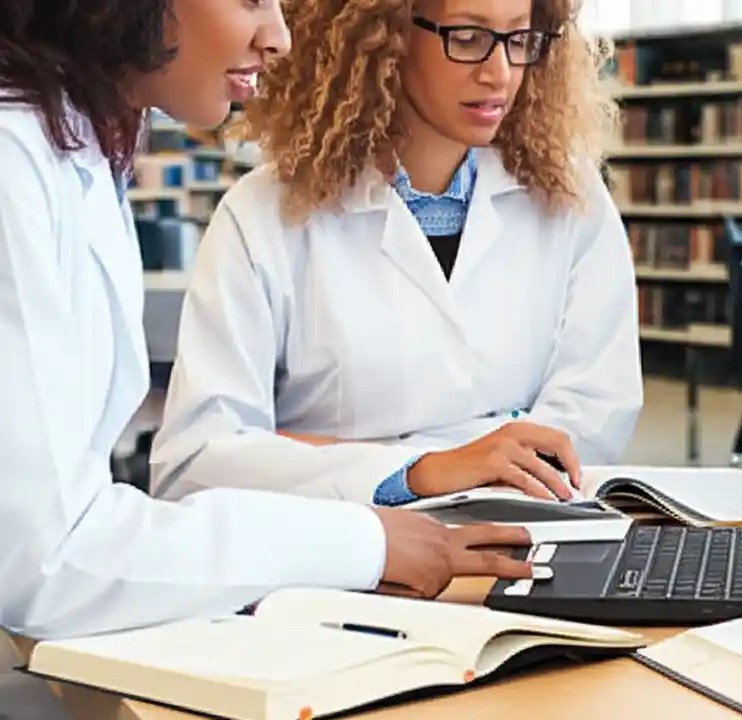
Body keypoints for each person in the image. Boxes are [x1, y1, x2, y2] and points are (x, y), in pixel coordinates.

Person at [0, 0, 534, 642]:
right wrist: (363, 542)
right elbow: (46, 562)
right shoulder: (16, 166)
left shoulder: (73, 152)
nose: (279, 37)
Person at [148, 0, 642, 508]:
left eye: (519, 40)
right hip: (335, 562)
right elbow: (197, 463)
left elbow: (593, 416)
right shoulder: (262, 215)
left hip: (529, 533)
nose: (501, 72)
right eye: (469, 38)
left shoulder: (569, 198)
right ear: (386, 38)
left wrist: (318, 453)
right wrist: (423, 471)